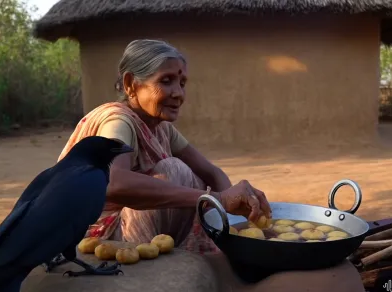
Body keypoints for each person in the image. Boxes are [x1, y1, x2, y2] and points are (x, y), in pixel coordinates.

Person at [58, 39, 272, 254]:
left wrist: (230, 204)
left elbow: (210, 171)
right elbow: (113, 181)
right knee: (174, 171)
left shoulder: (160, 127)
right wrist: (217, 199)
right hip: (97, 236)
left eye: (182, 83)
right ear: (130, 84)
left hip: (131, 226)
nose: (178, 93)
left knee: (195, 180)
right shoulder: (119, 121)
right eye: (166, 81)